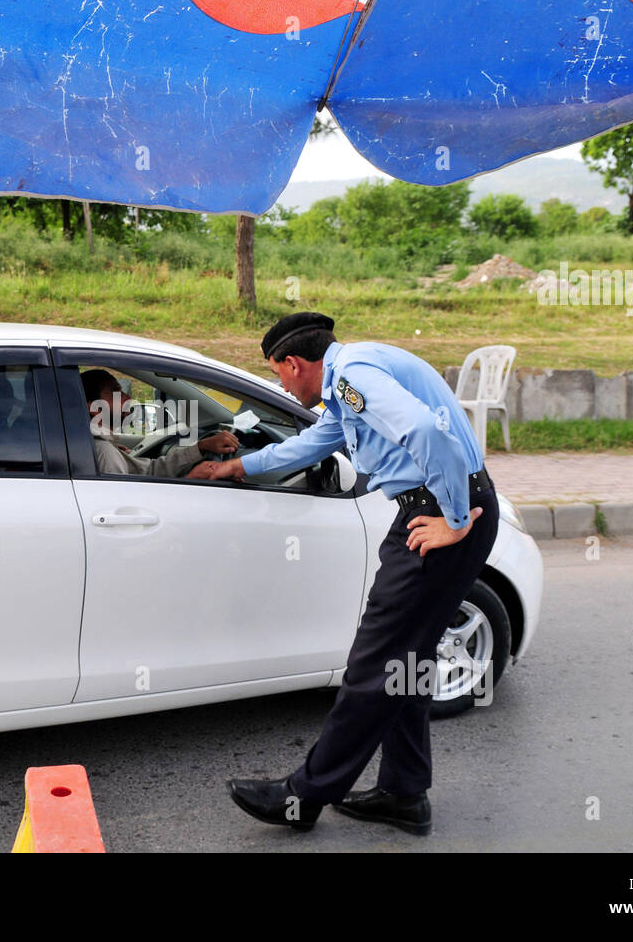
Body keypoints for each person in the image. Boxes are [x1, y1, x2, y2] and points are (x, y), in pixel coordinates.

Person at [192, 313, 499, 835]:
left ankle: (303, 795)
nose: (279, 384)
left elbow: (426, 430)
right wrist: (235, 468)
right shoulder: (348, 386)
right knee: (404, 661)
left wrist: (452, 521)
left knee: (373, 662)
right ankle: (404, 793)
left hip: (444, 516)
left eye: (277, 373)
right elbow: (310, 446)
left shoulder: (354, 373)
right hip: (435, 509)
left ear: (294, 363)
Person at [80, 369, 239, 476]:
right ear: (94, 408)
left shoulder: (99, 447)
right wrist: (192, 478)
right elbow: (125, 507)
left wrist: (200, 447)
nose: (128, 398)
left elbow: (149, 470)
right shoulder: (104, 452)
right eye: (116, 392)